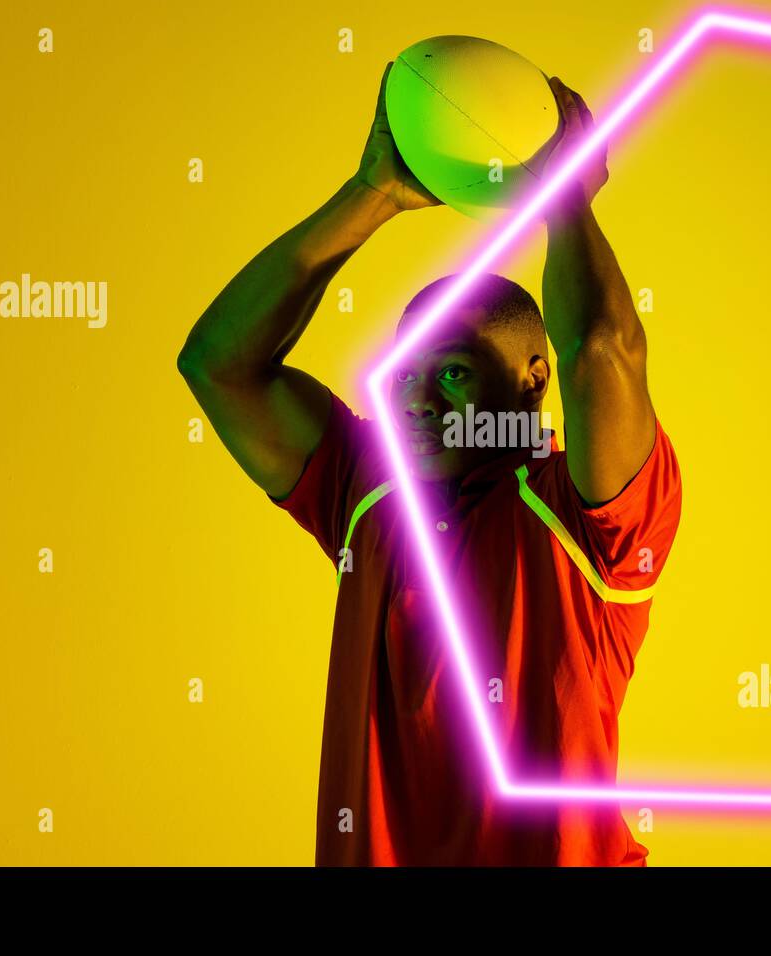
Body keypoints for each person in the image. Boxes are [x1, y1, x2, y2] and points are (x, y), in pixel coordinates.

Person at [177, 64, 682, 865]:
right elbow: (219, 366)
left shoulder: (589, 517)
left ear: (531, 377)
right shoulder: (368, 490)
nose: (414, 400)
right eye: (403, 374)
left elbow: (603, 351)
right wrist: (371, 194)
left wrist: (566, 200)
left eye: (450, 371)